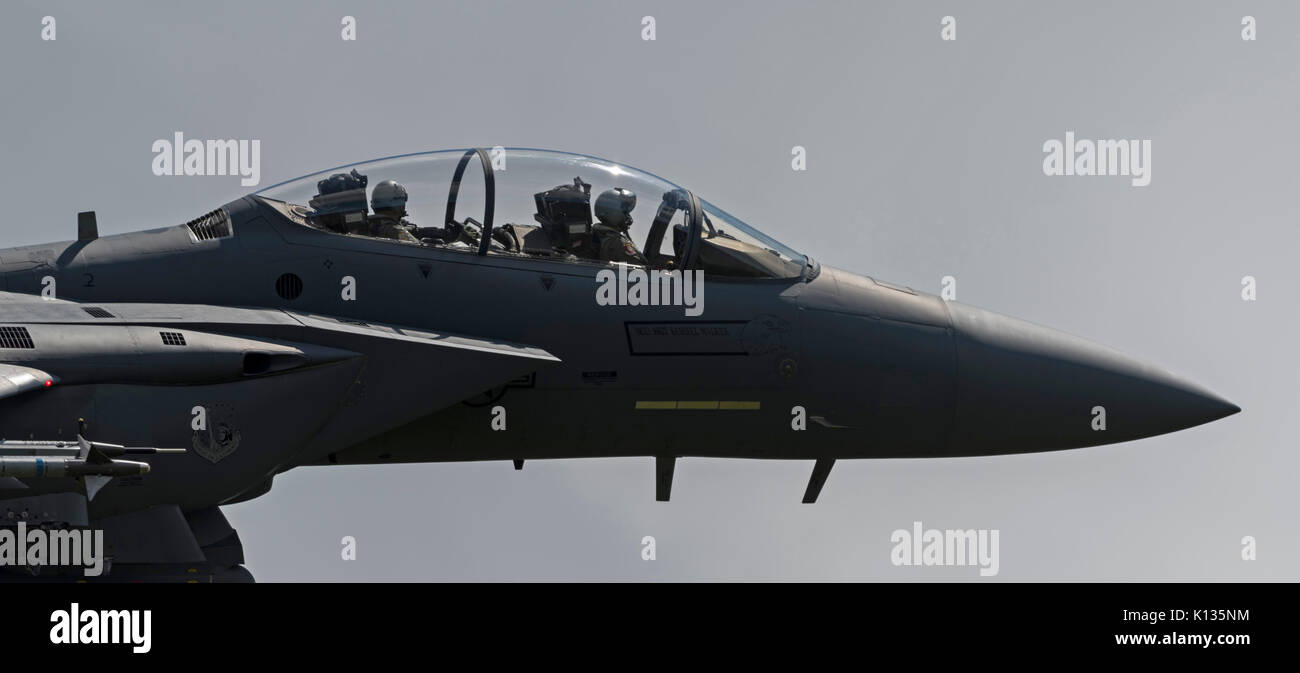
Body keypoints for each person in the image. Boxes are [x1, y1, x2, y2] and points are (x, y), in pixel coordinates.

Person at [591, 187, 646, 264]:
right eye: (625, 212)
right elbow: (643, 267)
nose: (628, 216)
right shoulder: (618, 242)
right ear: (614, 211)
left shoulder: (596, 232)